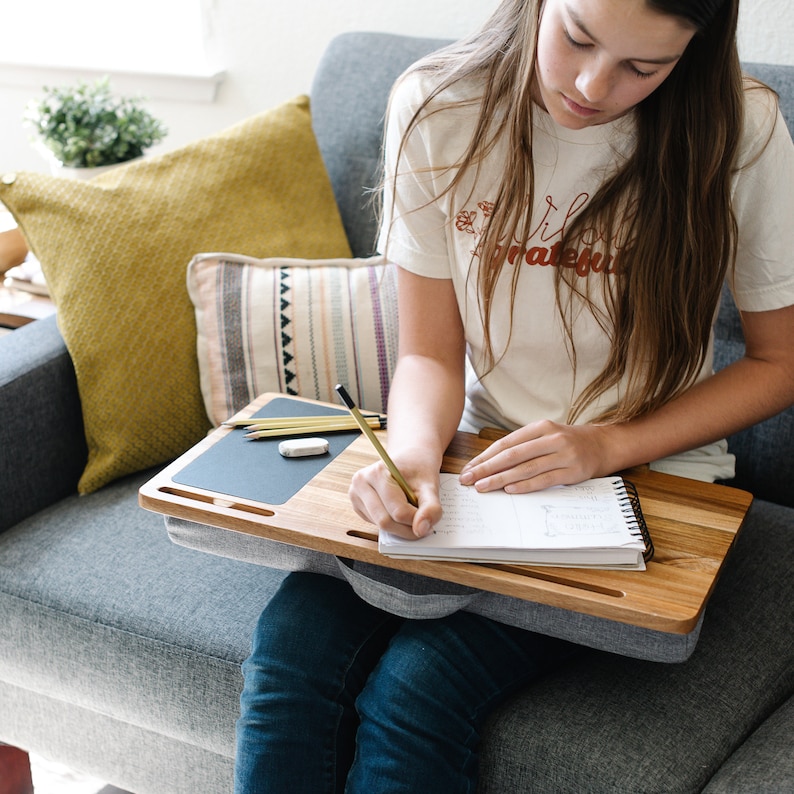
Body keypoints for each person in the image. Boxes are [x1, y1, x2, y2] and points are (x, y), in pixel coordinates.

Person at [235, 0, 794, 791]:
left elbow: (780, 361)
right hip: (477, 462)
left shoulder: (742, 130)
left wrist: (605, 445)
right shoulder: (438, 106)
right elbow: (430, 350)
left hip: (647, 481)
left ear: (695, 56)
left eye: (645, 67)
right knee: (289, 654)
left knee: (420, 688)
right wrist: (414, 452)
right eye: (577, 36)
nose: (593, 86)